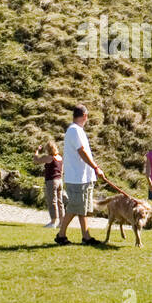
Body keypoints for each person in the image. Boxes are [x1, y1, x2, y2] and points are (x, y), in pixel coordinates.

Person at [55, 105, 104, 245]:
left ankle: (86, 237)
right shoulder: (74, 130)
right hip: (77, 178)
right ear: (85, 116)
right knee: (74, 207)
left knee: (82, 209)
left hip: (83, 177)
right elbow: (81, 151)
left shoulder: (78, 130)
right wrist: (96, 167)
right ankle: (61, 235)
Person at [33, 140, 63, 227]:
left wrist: (37, 151)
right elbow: (62, 170)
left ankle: (53, 222)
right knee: (60, 202)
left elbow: (36, 160)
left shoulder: (49, 158)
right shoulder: (60, 157)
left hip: (51, 181)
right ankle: (61, 222)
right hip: (59, 180)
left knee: (52, 201)